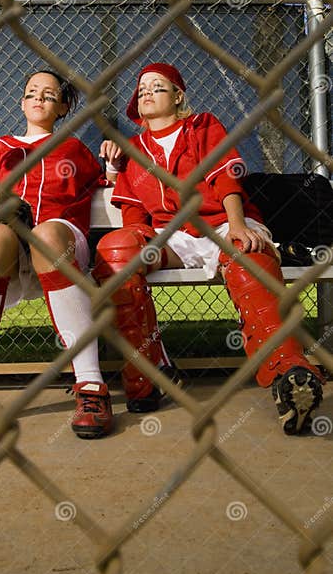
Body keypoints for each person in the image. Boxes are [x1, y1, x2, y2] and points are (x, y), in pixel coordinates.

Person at [95, 62, 324, 435]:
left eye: (158, 86)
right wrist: (133, 234)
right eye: (142, 88)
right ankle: (149, 373)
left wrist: (236, 226)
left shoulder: (203, 126)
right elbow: (134, 212)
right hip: (173, 235)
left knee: (247, 256)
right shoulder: (132, 149)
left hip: (221, 220)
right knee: (118, 252)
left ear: (178, 96)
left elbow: (224, 176)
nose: (147, 91)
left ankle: (288, 374)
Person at [0, 70, 113, 440]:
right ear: (22, 101)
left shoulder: (74, 150)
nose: (39, 98)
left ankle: (92, 387)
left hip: (60, 246)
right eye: (32, 91)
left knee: (46, 233)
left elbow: (111, 185)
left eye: (49, 94)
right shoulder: (0, 147)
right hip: (9, 251)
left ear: (63, 107)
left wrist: (113, 162)